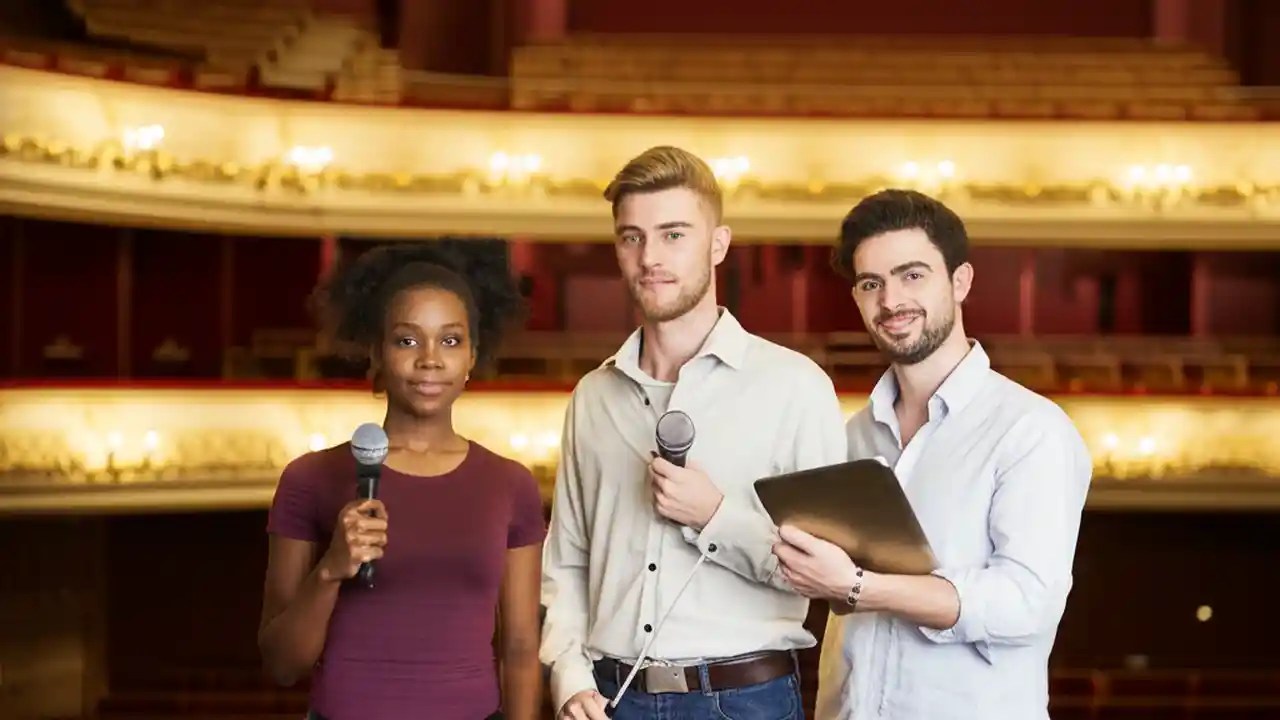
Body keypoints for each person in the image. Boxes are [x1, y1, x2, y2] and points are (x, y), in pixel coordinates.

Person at [539, 146, 848, 720]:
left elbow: (823, 571)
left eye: (673, 234)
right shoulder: (592, 396)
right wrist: (570, 677)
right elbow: (567, 561)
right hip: (609, 698)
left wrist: (714, 516)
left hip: (744, 699)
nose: (650, 257)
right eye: (632, 237)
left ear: (718, 244)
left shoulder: (795, 387)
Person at [772, 189, 1093, 720]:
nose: (891, 300)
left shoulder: (1030, 430)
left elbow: (1026, 604)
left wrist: (858, 587)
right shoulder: (852, 440)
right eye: (871, 283)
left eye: (912, 275)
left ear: (960, 281)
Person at [257, 240, 545, 720]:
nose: (429, 359)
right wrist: (330, 569)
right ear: (376, 352)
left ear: (473, 355)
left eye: (450, 341)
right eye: (407, 340)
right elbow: (283, 664)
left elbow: (519, 647)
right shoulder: (310, 478)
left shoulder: (510, 484)